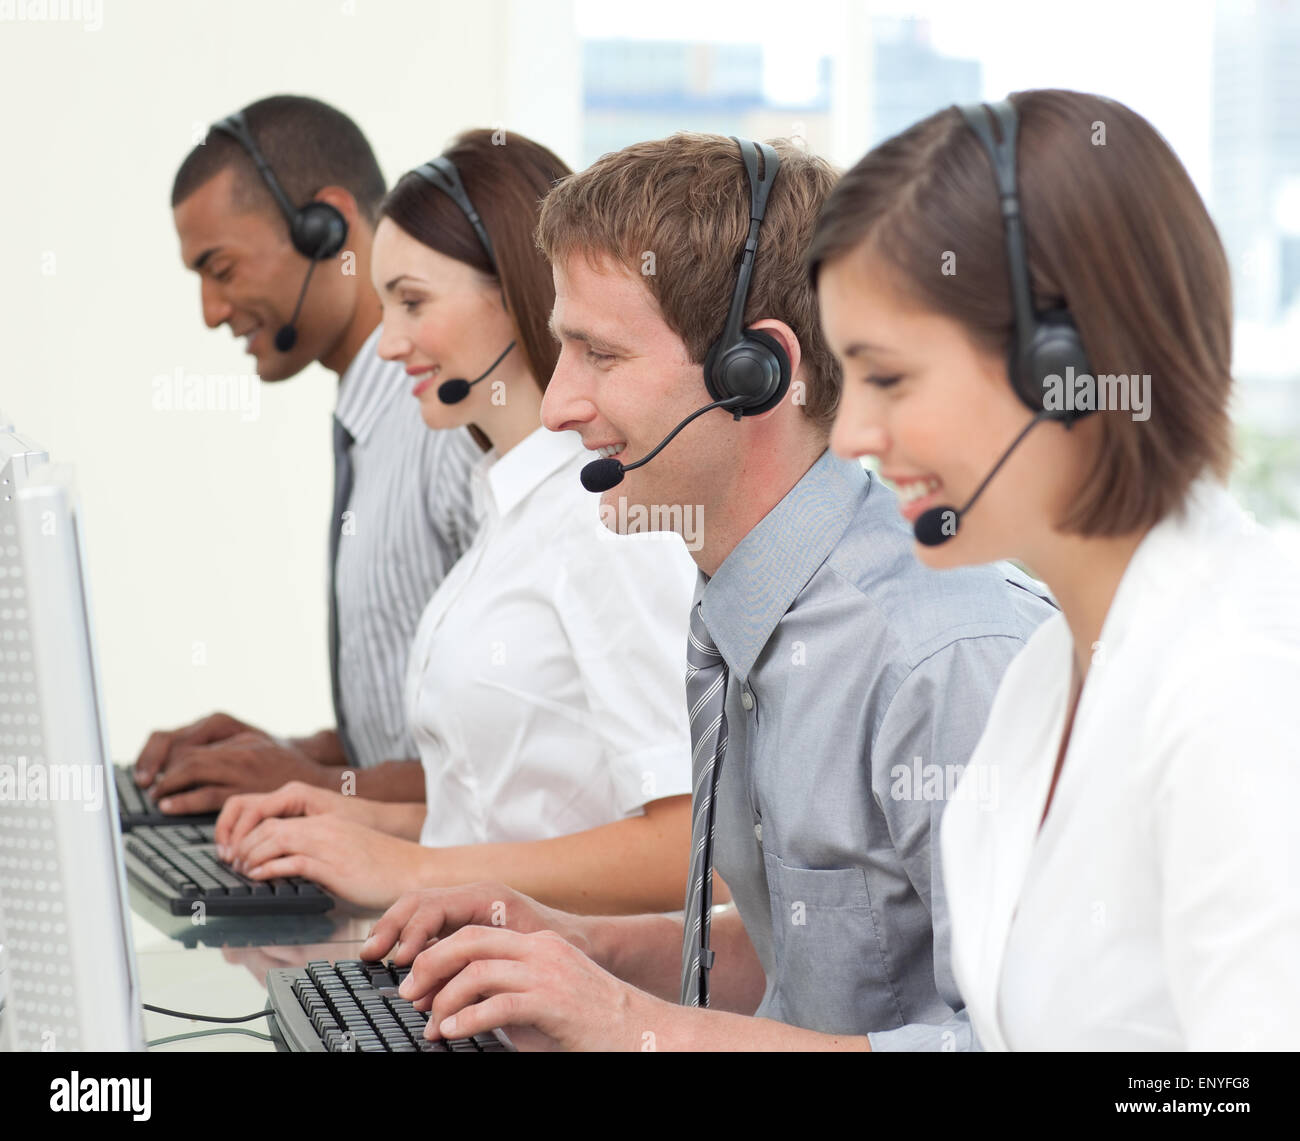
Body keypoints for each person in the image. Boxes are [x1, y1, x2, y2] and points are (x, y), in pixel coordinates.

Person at [357, 131, 1056, 1050]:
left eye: (598, 356)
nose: (559, 404)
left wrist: (629, 1024)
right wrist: (581, 946)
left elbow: (1027, 1044)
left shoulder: (945, 656)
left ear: (754, 375)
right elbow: (820, 967)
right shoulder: (738, 603)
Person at [811, 90, 1300, 1049]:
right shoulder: (1049, 671)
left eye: (888, 377)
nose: (852, 435)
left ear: (1063, 363)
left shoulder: (1246, 678)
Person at [213, 131, 701, 916]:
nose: (389, 340)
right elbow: (508, 817)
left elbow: (687, 851)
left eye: (412, 301)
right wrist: (359, 823)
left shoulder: (604, 517)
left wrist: (406, 870)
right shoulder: (507, 502)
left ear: (517, 293)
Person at [137, 96, 481, 813]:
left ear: (326, 226)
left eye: (221, 268)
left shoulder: (451, 424)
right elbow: (429, 735)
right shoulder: (374, 415)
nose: (209, 311)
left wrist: (316, 787)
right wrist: (301, 756)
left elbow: (522, 770)